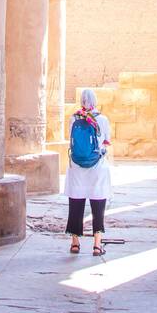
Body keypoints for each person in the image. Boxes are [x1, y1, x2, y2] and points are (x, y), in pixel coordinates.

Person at [66, 89, 111, 256]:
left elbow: (72, 141)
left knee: (76, 203)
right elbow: (106, 142)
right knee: (98, 203)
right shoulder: (103, 119)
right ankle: (97, 244)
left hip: (77, 166)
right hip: (97, 166)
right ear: (95, 101)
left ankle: (75, 243)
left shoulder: (73, 118)